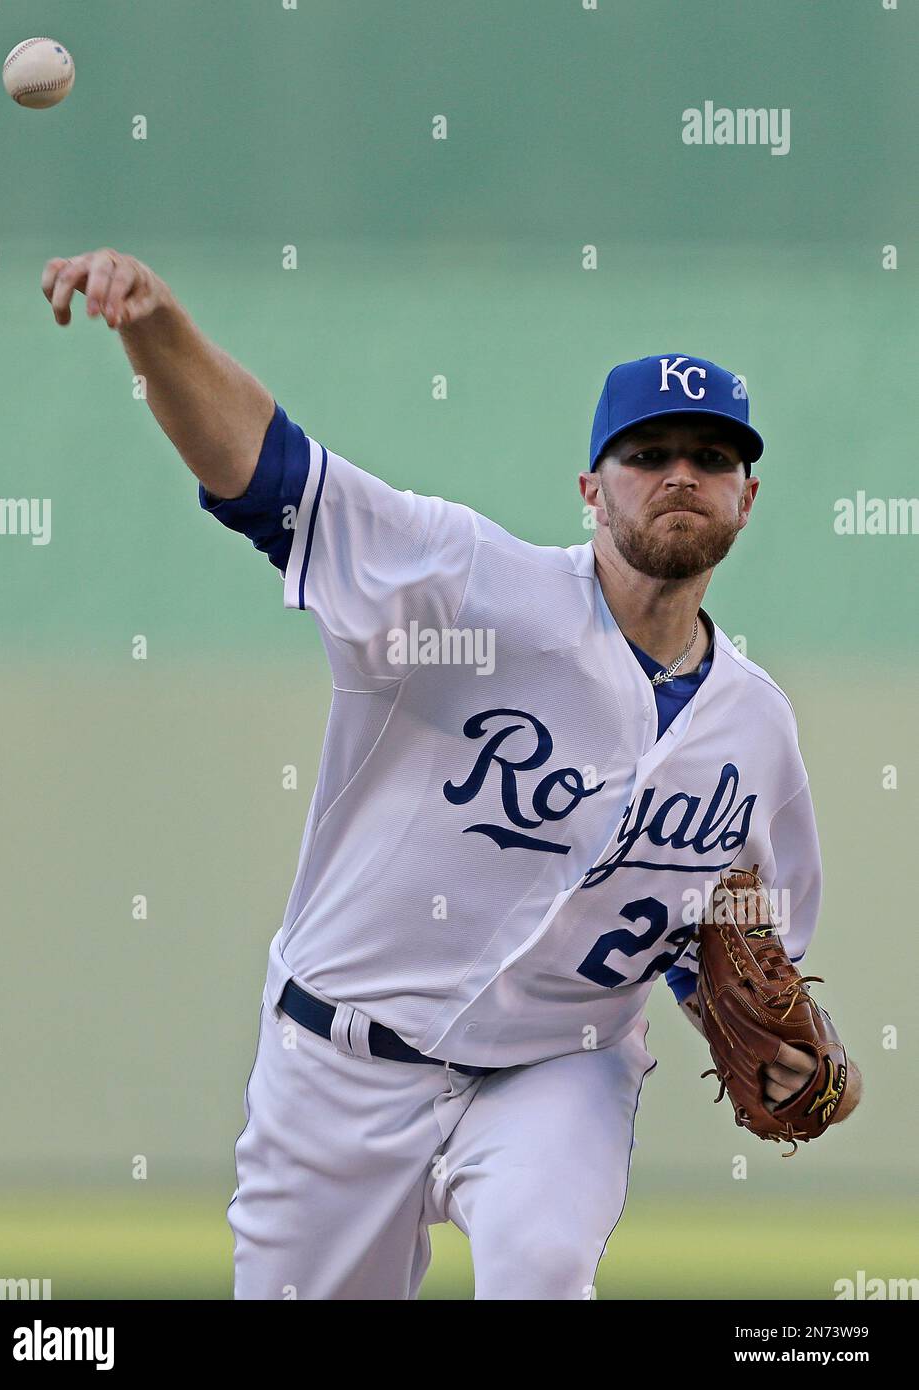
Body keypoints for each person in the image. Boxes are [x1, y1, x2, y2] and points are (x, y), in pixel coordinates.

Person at [42, 250, 825, 1300]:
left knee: (540, 1269)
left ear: (747, 495)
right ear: (591, 487)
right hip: (336, 1059)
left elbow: (722, 939)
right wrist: (154, 327)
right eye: (647, 453)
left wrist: (782, 1047)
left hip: (557, 1066)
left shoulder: (755, 728)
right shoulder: (464, 586)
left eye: (709, 456)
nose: (679, 473)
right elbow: (270, 476)